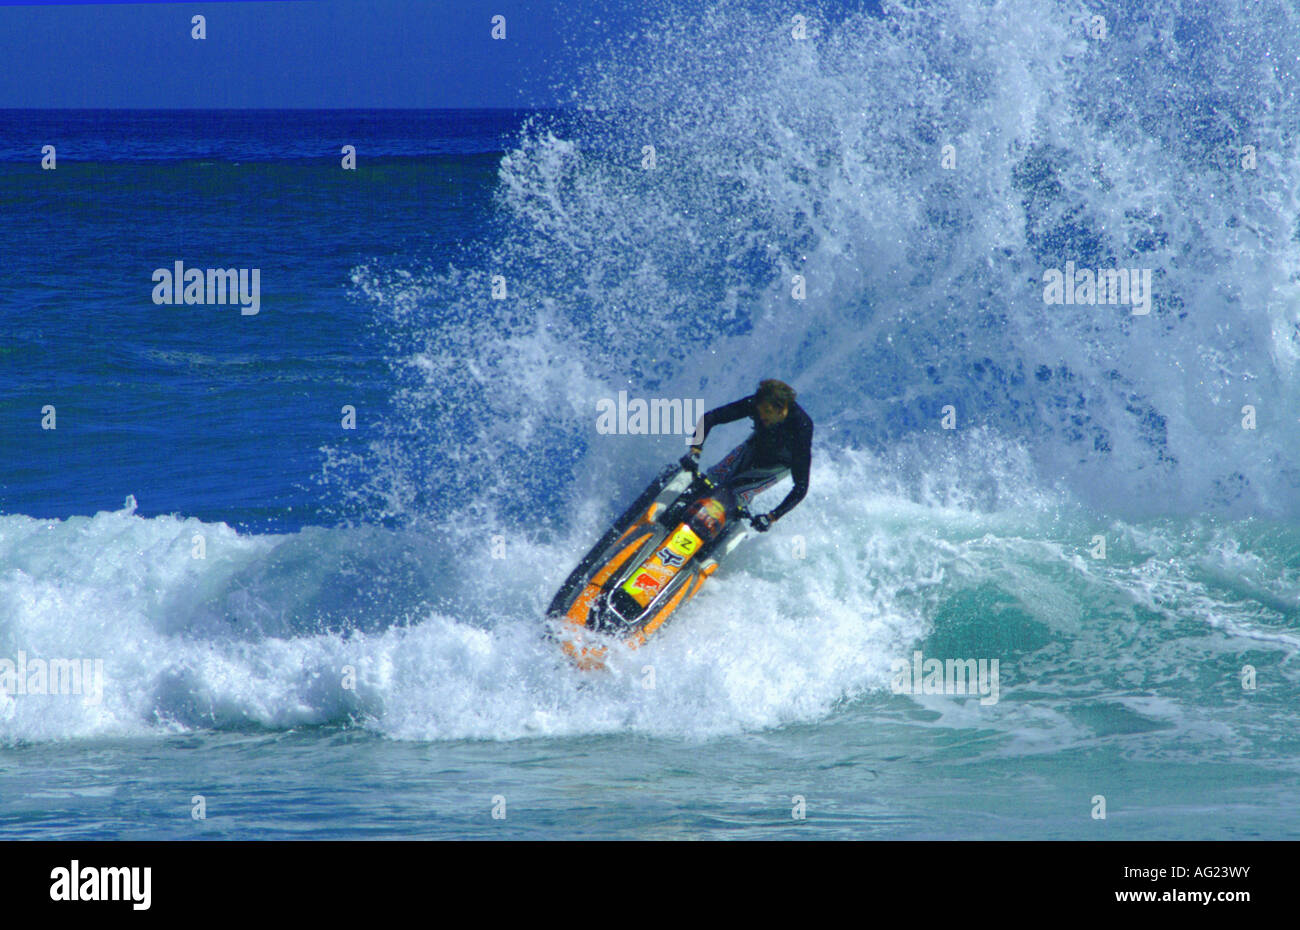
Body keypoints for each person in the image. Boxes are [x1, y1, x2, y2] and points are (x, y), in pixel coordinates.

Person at [680, 379, 812, 532]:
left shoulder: (802, 427)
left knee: (729, 495)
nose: (761, 416)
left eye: (767, 413)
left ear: (782, 410)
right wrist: (695, 451)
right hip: (754, 447)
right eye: (760, 411)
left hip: (776, 466)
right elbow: (710, 417)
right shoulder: (758, 403)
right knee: (709, 481)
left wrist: (771, 517)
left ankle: (716, 530)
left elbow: (801, 488)